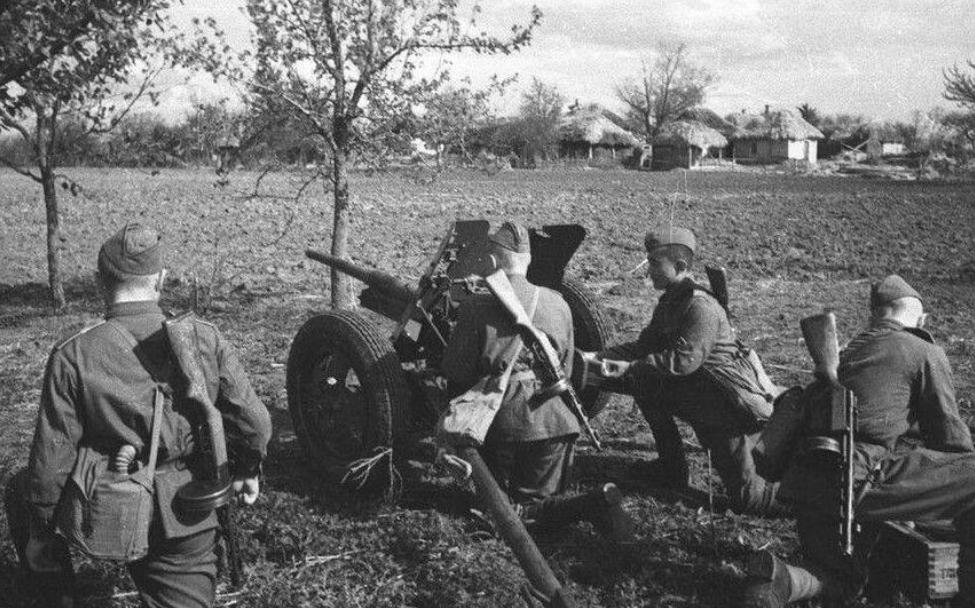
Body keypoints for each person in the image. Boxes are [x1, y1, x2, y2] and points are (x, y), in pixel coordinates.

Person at [6, 223, 272, 608]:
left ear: (101, 281)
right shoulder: (204, 336)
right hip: (184, 512)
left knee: (21, 488)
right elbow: (256, 424)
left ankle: (57, 594)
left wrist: (41, 533)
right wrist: (247, 469)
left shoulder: (73, 353)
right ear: (161, 280)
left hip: (102, 511)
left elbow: (50, 467)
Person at [742, 275, 975, 607]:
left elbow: (865, 414)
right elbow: (951, 443)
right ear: (921, 320)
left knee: (845, 583)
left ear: (874, 314)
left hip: (807, 485)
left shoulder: (846, 353)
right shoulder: (923, 350)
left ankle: (781, 579)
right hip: (854, 481)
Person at [440, 221, 633, 541]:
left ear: (490, 263)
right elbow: (569, 368)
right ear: (528, 261)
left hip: (504, 428)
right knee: (538, 504)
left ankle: (592, 505)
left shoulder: (476, 307)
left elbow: (456, 374)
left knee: (499, 515)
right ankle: (579, 508)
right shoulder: (559, 302)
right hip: (558, 424)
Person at [593, 226, 785, 516]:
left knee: (749, 500)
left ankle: (815, 501)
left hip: (723, 410)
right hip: (696, 396)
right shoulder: (673, 300)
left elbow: (683, 362)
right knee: (642, 384)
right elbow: (645, 346)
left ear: (680, 266)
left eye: (655, 264)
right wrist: (594, 358)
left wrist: (630, 368)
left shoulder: (700, 306)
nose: (649, 272)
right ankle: (672, 469)